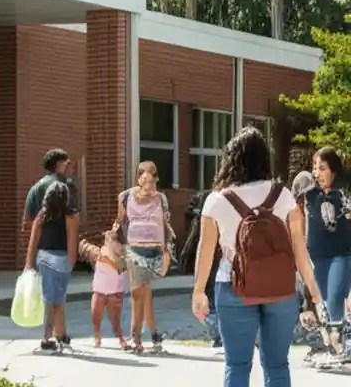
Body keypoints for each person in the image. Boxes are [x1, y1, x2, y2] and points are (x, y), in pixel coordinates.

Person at [191, 126, 326, 387]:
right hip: (281, 289)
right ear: (265, 158)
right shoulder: (283, 196)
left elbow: (205, 251)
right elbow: (300, 251)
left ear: (230, 159)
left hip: (232, 286)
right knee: (277, 365)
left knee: (237, 365)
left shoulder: (217, 201)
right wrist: (315, 295)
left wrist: (198, 291)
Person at [114, 161, 174, 354]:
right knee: (137, 294)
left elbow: (166, 226)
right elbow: (120, 222)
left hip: (155, 251)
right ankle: (136, 338)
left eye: (153, 178)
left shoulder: (161, 199)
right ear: (138, 178)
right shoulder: (125, 197)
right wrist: (115, 246)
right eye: (145, 178)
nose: (149, 184)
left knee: (145, 293)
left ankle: (155, 334)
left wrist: (167, 251)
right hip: (135, 250)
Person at [24, 149, 80, 352]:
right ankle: (51, 337)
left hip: (43, 253)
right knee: (55, 298)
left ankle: (60, 334)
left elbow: (30, 223)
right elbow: (72, 224)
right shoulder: (68, 187)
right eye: (67, 163)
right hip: (62, 253)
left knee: (52, 295)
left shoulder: (36, 188)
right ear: (59, 164)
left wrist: (29, 261)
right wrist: (73, 257)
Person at [302, 148, 351, 356]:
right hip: (317, 255)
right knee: (321, 302)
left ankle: (340, 347)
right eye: (314, 167)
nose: (317, 173)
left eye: (322, 168)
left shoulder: (344, 193)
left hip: (341, 253)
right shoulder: (310, 193)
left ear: (333, 170)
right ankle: (330, 346)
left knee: (334, 298)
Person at [180, 189, 222, 352]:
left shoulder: (207, 208)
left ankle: (219, 335)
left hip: (213, 259)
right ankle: (220, 334)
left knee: (211, 296)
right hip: (216, 259)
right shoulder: (214, 205)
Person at [79, 226, 129, 349]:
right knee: (96, 314)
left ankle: (120, 337)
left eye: (117, 245)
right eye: (111, 243)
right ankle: (97, 336)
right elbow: (87, 249)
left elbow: (120, 267)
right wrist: (83, 244)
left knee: (115, 318)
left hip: (116, 291)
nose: (116, 247)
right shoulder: (100, 252)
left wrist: (109, 259)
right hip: (100, 289)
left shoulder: (123, 258)